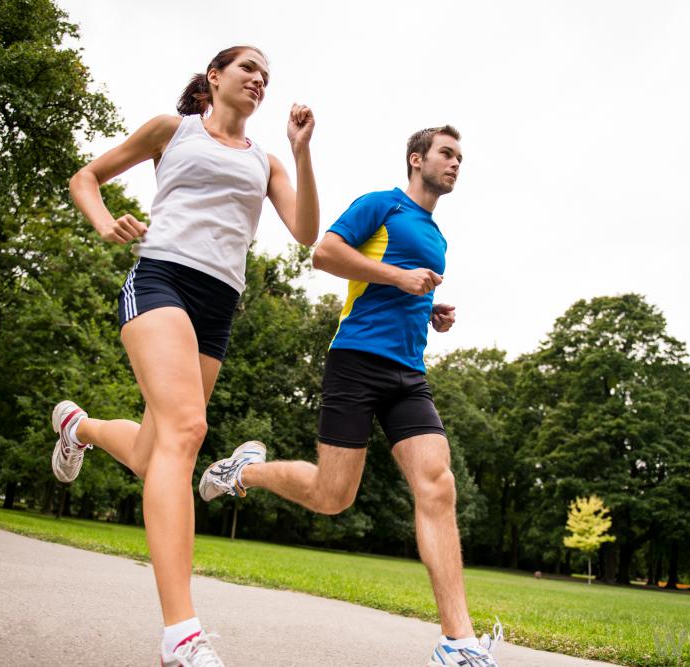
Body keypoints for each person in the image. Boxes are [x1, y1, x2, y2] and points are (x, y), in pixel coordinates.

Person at [50, 45, 318, 667]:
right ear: (215, 76)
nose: (259, 79)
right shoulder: (173, 131)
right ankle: (181, 635)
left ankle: (78, 426)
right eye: (248, 67)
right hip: (162, 278)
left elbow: (306, 231)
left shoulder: (267, 160)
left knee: (155, 454)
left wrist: (301, 154)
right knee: (187, 431)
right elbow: (84, 177)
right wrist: (102, 221)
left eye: (267, 76)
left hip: (219, 305)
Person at [200, 125, 503, 667]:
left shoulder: (437, 235)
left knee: (438, 485)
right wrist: (397, 278)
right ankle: (243, 471)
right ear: (417, 159)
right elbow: (324, 254)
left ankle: (458, 642)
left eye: (461, 156)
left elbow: (401, 288)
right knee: (332, 495)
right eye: (447, 153)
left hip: (409, 373)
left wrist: (428, 309)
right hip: (356, 362)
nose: (457, 163)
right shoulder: (379, 205)